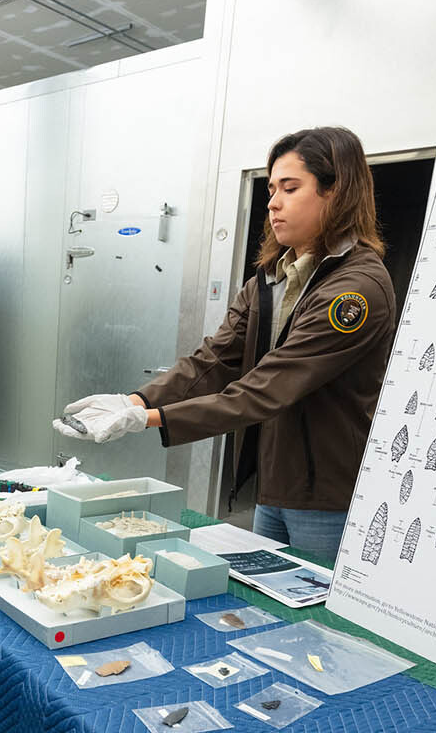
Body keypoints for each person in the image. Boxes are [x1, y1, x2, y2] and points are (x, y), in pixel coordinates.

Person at [56, 127, 396, 560]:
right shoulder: (271, 277)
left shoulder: (356, 290)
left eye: (290, 188)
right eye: (272, 188)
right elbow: (212, 360)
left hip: (327, 497)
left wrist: (150, 418)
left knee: (313, 617)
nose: (273, 202)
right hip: (273, 482)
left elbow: (267, 388)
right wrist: (133, 401)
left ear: (336, 191)